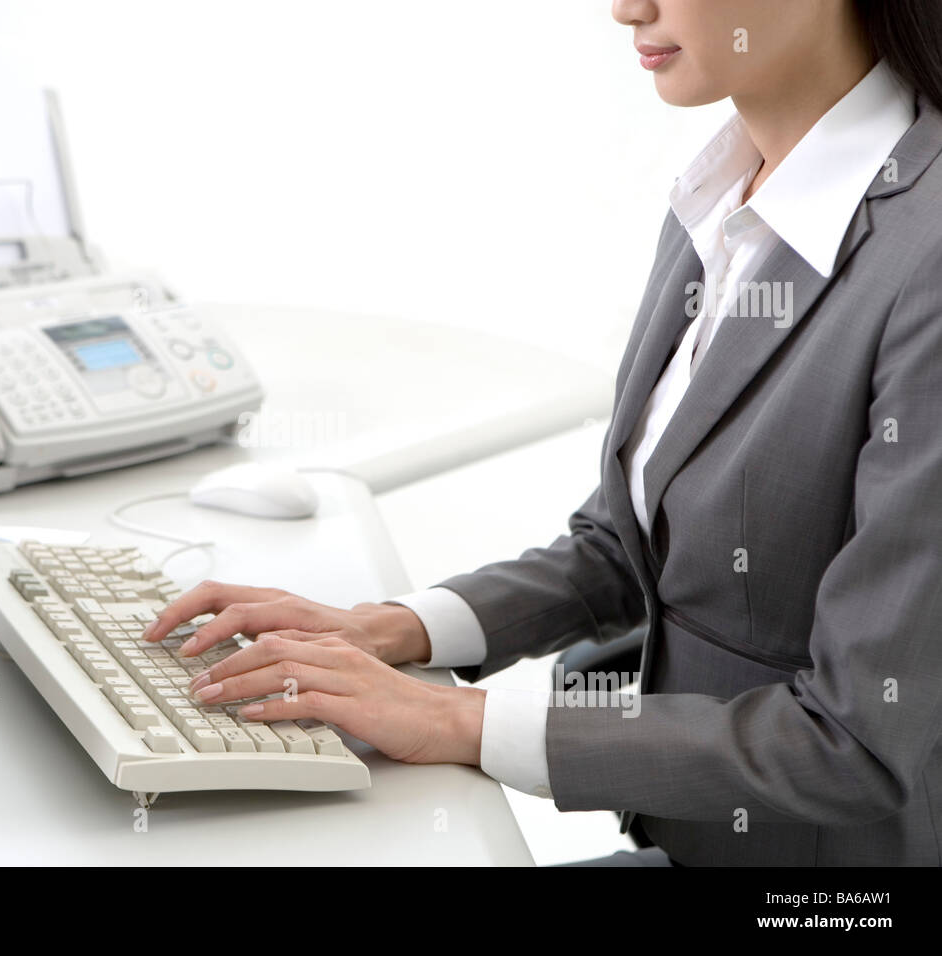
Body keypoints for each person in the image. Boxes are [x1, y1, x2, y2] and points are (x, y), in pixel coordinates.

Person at [144, 0, 942, 866]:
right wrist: (391, 628)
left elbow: (856, 742)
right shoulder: (727, 193)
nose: (626, 8)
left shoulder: (924, 261)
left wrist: (455, 719)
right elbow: (627, 545)